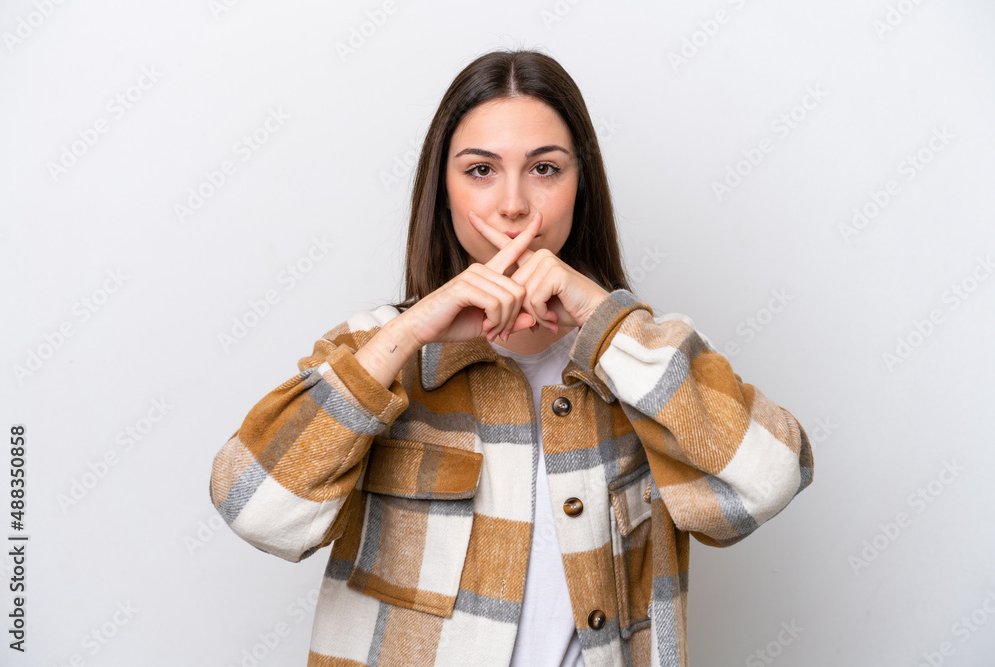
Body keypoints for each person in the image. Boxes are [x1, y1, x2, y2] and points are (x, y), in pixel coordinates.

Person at [209, 48, 814, 667]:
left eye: (545, 169)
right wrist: (412, 327)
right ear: (440, 191)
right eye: (480, 170)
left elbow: (768, 482)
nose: (514, 204)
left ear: (583, 185)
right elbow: (254, 509)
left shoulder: (644, 356)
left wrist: (600, 315)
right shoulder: (377, 352)